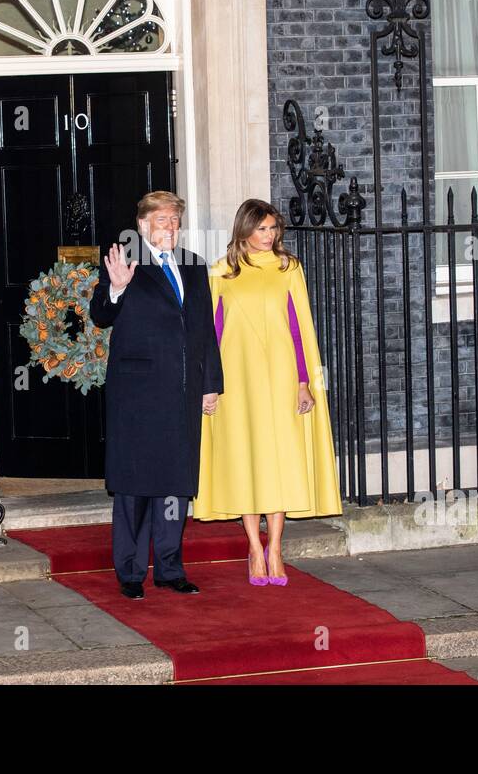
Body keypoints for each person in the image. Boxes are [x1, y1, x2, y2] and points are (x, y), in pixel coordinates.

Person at [193, 199, 342, 586]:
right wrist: (211, 384)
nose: (269, 235)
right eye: (261, 229)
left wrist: (304, 382)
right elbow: (213, 333)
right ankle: (253, 548)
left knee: (278, 459)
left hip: (280, 378)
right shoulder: (221, 272)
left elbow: (299, 329)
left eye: (273, 228)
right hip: (237, 381)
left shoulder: (288, 267)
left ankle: (275, 546)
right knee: (247, 458)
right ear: (244, 230)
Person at [89, 190, 224, 599]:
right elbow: (101, 315)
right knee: (135, 484)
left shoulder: (194, 267)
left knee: (174, 484)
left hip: (182, 394)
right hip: (138, 395)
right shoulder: (127, 264)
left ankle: (169, 568)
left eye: (176, 220)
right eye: (163, 220)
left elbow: (205, 332)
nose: (171, 227)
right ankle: (130, 573)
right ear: (143, 224)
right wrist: (115, 289)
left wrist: (210, 384)